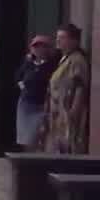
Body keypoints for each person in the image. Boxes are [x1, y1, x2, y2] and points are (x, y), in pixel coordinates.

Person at [43, 24, 89, 154]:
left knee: (68, 148)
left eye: (62, 37)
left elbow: (80, 86)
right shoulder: (64, 59)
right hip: (57, 114)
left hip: (68, 114)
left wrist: (74, 111)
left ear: (74, 40)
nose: (58, 40)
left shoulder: (77, 60)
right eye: (57, 37)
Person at [14, 35, 56, 152]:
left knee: (38, 135)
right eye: (35, 47)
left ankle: (37, 159)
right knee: (25, 137)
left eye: (41, 47)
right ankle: (28, 158)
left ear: (47, 48)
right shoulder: (28, 63)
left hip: (41, 105)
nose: (38, 49)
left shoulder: (51, 65)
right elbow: (18, 76)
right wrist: (22, 86)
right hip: (26, 104)